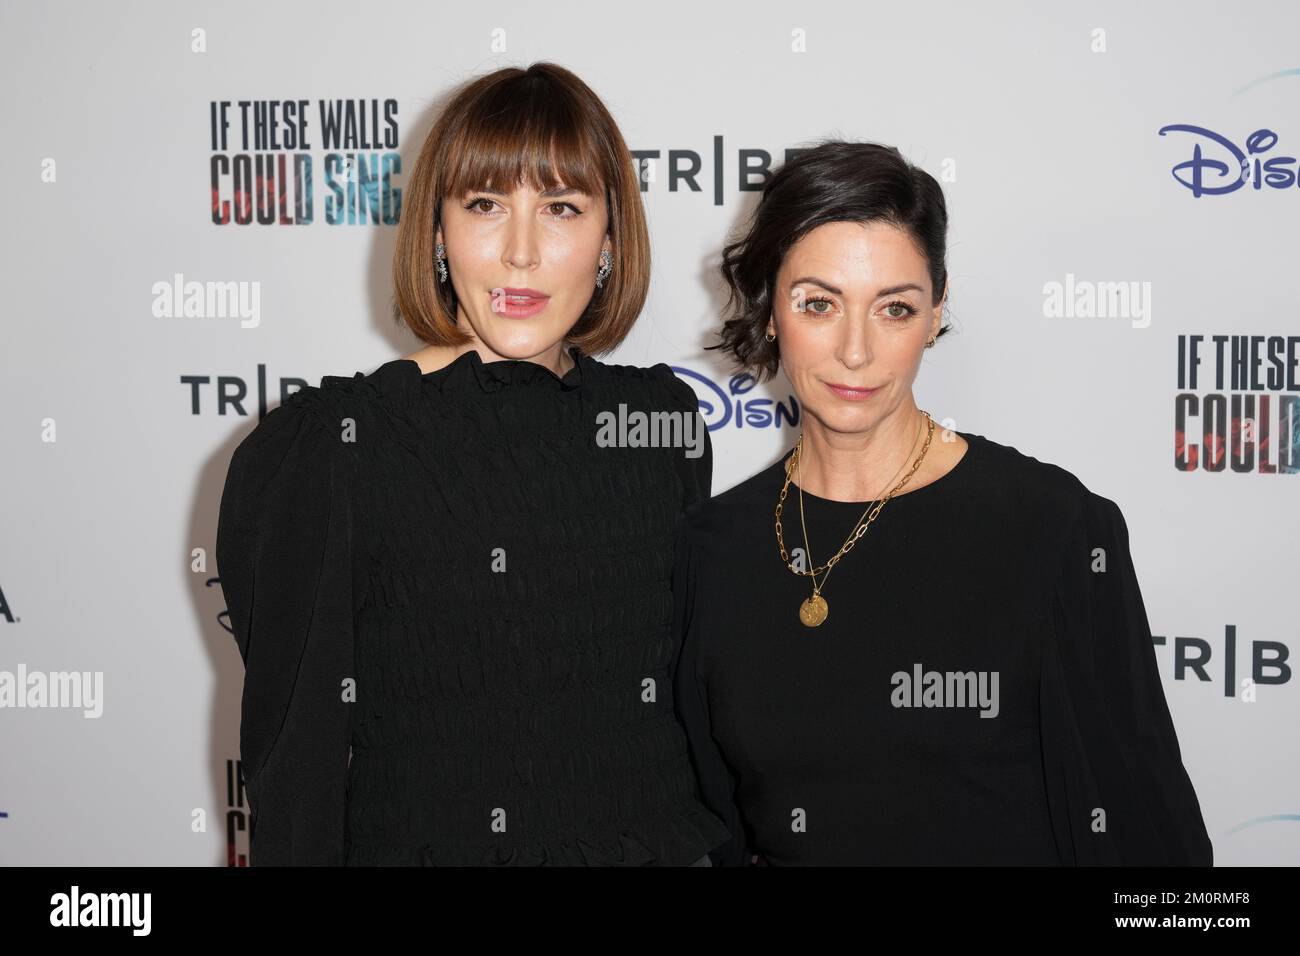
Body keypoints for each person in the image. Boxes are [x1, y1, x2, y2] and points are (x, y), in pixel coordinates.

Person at [217, 62, 728, 865]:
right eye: (485, 205)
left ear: (608, 242)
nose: (521, 253)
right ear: (436, 233)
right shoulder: (334, 446)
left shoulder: (661, 424)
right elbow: (297, 765)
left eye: (561, 208)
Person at [672, 140, 1214, 866]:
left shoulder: (1052, 530)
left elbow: (1150, 840)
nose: (856, 351)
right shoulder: (712, 549)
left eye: (894, 308)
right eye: (819, 304)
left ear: (935, 312)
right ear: (770, 310)